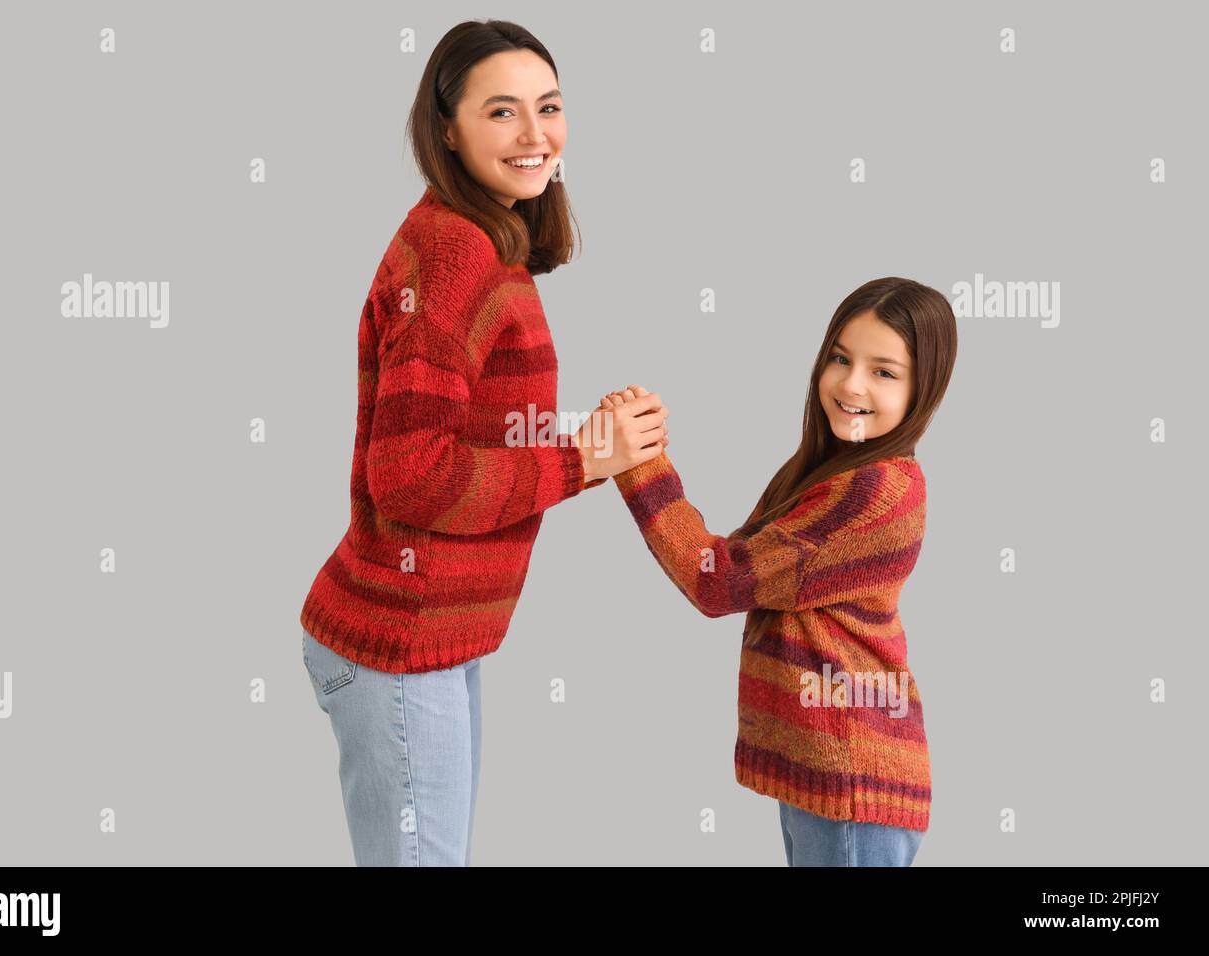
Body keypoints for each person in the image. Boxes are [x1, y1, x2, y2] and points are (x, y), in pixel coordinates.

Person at [299, 19, 667, 866]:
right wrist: (585, 458)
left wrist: (589, 444)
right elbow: (411, 476)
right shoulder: (454, 253)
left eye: (550, 106)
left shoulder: (488, 240)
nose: (536, 135)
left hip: (430, 639)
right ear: (447, 130)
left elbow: (474, 439)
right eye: (502, 113)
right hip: (399, 643)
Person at [602, 279, 957, 866]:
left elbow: (716, 579)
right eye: (840, 358)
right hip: (835, 781)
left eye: (885, 372)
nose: (851, 385)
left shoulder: (875, 490)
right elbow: (735, 562)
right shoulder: (834, 472)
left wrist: (640, 462)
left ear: (925, 389)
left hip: (853, 782)